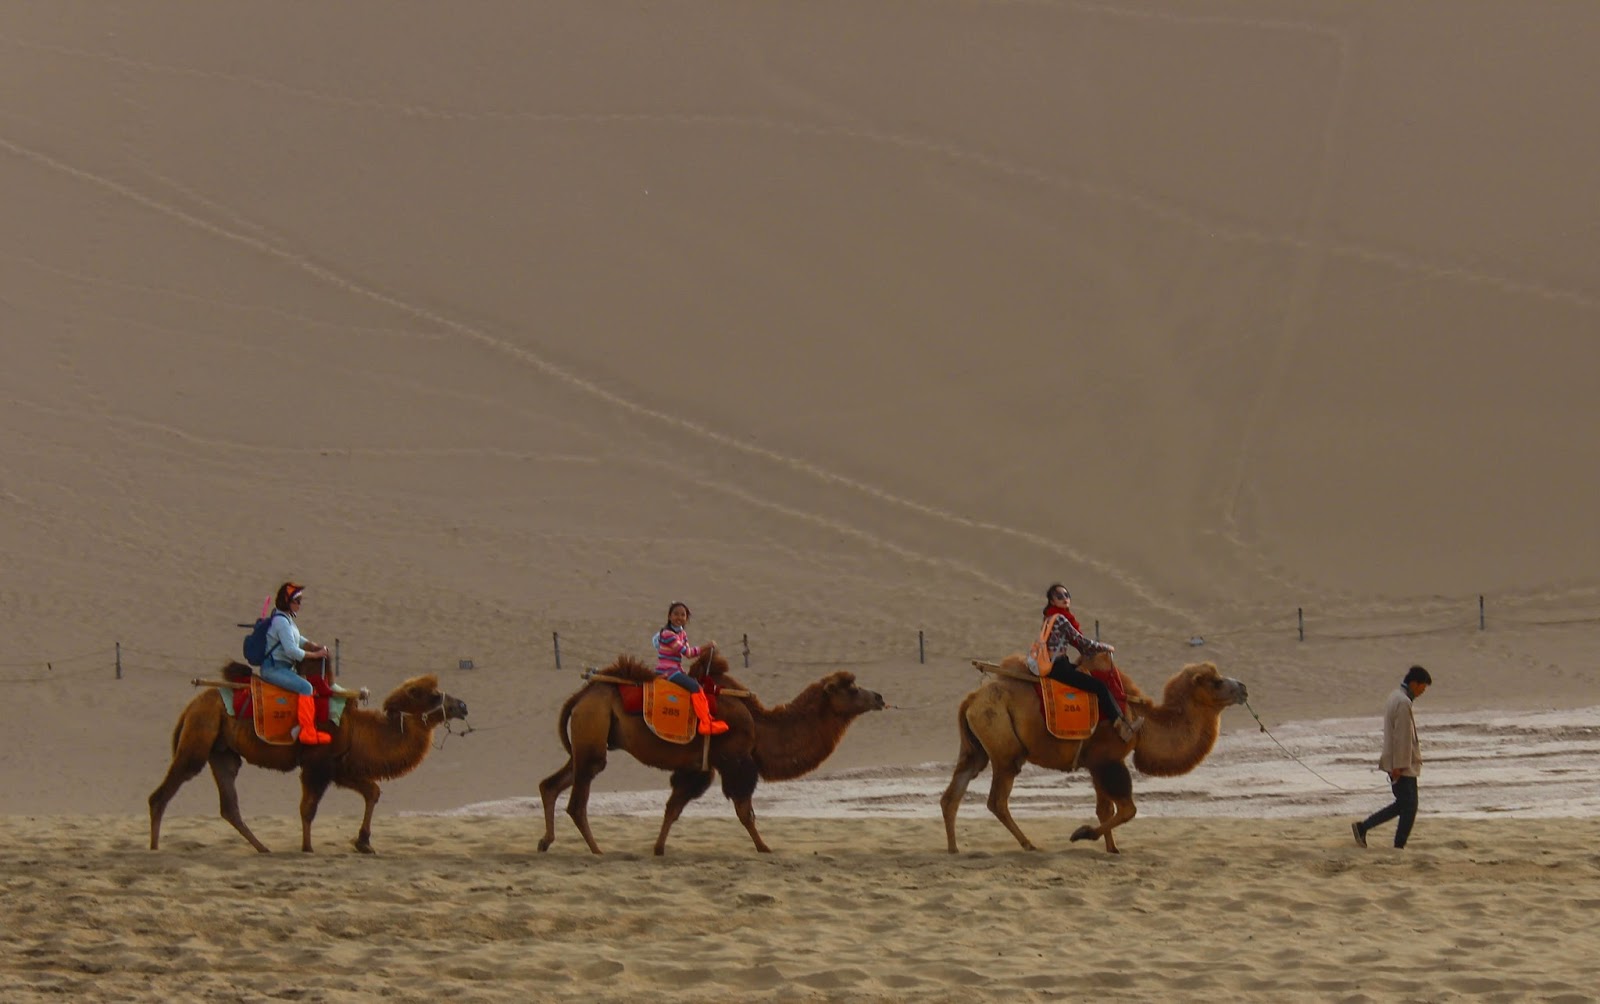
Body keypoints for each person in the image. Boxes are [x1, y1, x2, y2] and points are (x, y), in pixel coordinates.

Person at [1028, 583, 1141, 742]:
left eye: (1067, 595)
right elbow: (1080, 641)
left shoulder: (1049, 618)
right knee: (1100, 687)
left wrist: (1090, 650)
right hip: (1058, 667)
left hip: (1058, 664)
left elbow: (1075, 642)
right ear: (1052, 601)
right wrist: (1104, 647)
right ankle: (1120, 727)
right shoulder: (1060, 619)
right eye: (1059, 596)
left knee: (1086, 676)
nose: (1065, 599)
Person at [1352, 664, 1432, 849]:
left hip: (1396, 761)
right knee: (1409, 806)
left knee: (1404, 805)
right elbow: (1402, 737)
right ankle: (1397, 844)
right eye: (1422, 687)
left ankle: (1364, 828)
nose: (1422, 691)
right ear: (1414, 683)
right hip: (1402, 764)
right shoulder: (1403, 702)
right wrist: (1400, 766)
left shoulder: (1395, 696)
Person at [259, 581, 334, 745]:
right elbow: (291, 651)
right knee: (306, 687)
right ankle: (307, 732)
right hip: (274, 669)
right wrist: (315, 655)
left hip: (285, 668)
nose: (300, 604)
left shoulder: (286, 620)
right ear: (287, 602)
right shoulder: (281, 622)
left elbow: (297, 639)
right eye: (297, 601)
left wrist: (313, 645)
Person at [652, 602, 727, 735]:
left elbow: (688, 653)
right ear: (669, 616)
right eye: (676, 614)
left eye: (683, 615)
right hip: (668, 671)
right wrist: (706, 647)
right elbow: (688, 653)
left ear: (686, 618)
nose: (679, 617)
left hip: (677, 669)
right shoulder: (667, 634)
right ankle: (705, 723)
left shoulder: (682, 633)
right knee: (695, 687)